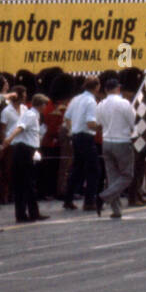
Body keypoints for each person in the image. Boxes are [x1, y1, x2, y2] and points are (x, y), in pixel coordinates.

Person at [4, 93, 49, 223]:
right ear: (41, 105)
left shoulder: (34, 114)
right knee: (25, 183)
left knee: (27, 183)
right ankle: (23, 214)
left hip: (27, 150)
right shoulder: (30, 115)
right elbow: (20, 127)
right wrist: (10, 138)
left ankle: (31, 212)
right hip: (24, 150)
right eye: (45, 104)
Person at [95, 79, 135, 219]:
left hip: (107, 140)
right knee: (127, 175)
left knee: (112, 177)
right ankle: (103, 197)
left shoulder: (100, 104)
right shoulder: (124, 103)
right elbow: (132, 122)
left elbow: (98, 123)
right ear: (118, 88)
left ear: (106, 90)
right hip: (122, 140)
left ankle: (116, 210)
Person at [62, 77, 101, 210]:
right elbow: (91, 123)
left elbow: (67, 117)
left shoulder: (76, 99)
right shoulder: (91, 102)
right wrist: (102, 126)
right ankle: (89, 201)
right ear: (97, 87)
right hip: (86, 137)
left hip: (76, 136)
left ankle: (68, 198)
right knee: (93, 170)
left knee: (77, 169)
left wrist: (71, 131)